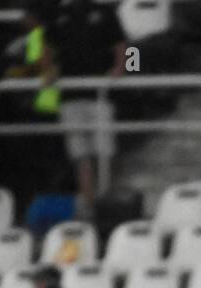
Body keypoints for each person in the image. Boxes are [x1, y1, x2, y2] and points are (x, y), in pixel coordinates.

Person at [50, 0, 128, 220]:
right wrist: (47, 69)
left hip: (101, 94)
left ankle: (108, 200)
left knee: (106, 151)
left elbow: (126, 47)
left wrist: (123, 70)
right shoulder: (58, 15)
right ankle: (90, 204)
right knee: (80, 155)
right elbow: (44, 44)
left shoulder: (105, 13)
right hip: (70, 95)